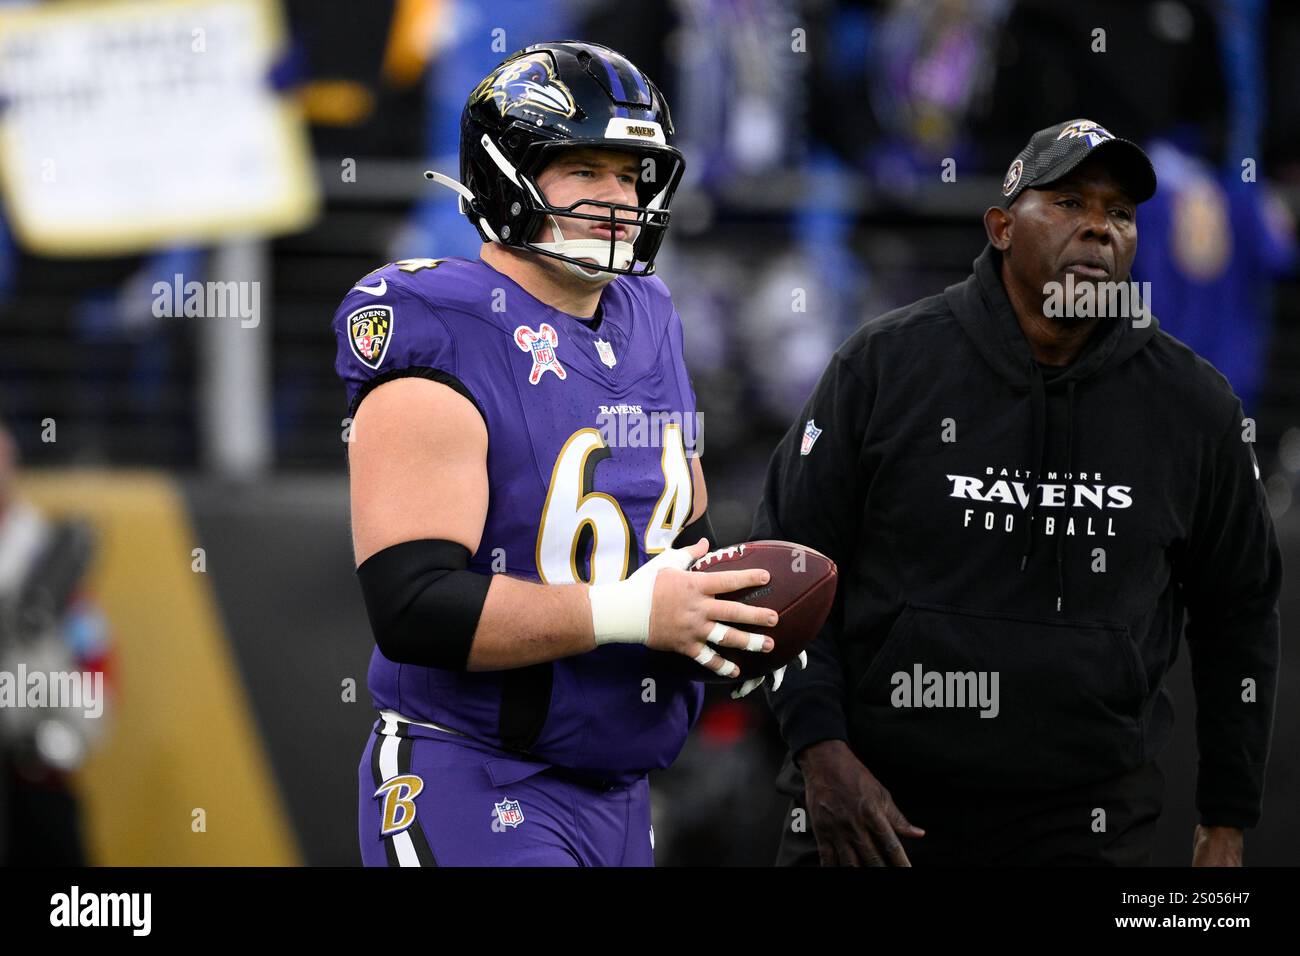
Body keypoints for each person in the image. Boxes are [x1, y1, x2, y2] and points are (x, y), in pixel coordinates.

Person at [754, 119, 1282, 866]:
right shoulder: (883, 367)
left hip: (1085, 819)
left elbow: (1241, 615)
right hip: (877, 807)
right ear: (1001, 227)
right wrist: (819, 751)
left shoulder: (1194, 407)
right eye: (1069, 203)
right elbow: (786, 561)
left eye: (1120, 214)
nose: (1099, 229)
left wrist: (1226, 820)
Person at [333, 41, 777, 867]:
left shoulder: (648, 314)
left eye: (632, 175)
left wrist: (731, 634)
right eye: (586, 172)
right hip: (473, 773)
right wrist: (627, 613)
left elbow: (683, 543)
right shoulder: (440, 324)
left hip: (622, 789)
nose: (618, 199)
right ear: (510, 181)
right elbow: (413, 605)